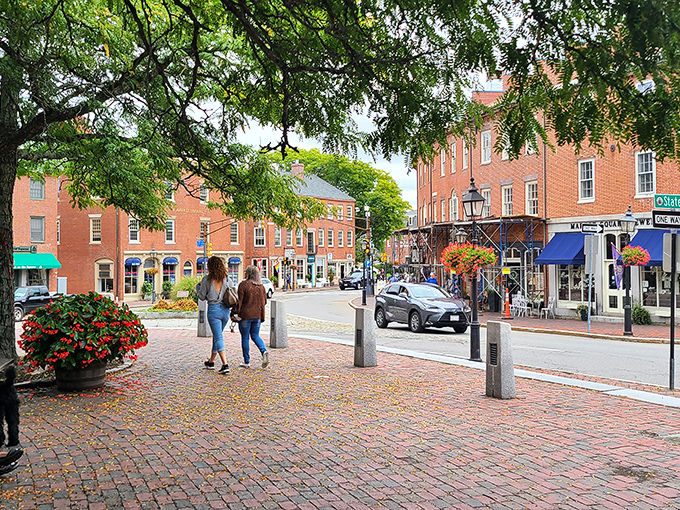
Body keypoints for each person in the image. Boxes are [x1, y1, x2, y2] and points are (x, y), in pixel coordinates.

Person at [196, 256, 233, 374]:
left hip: (214, 311)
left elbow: (201, 296)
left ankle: (225, 364)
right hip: (225, 310)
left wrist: (198, 288)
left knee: (218, 337)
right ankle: (211, 361)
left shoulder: (207, 280)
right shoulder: (227, 279)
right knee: (217, 337)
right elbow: (233, 290)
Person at [234, 265, 270, 369]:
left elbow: (239, 302)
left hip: (245, 316)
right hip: (257, 315)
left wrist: (235, 313)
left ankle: (247, 361)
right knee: (255, 336)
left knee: (245, 337)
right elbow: (265, 301)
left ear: (248, 273)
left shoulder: (243, 285)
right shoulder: (261, 287)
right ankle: (264, 351)